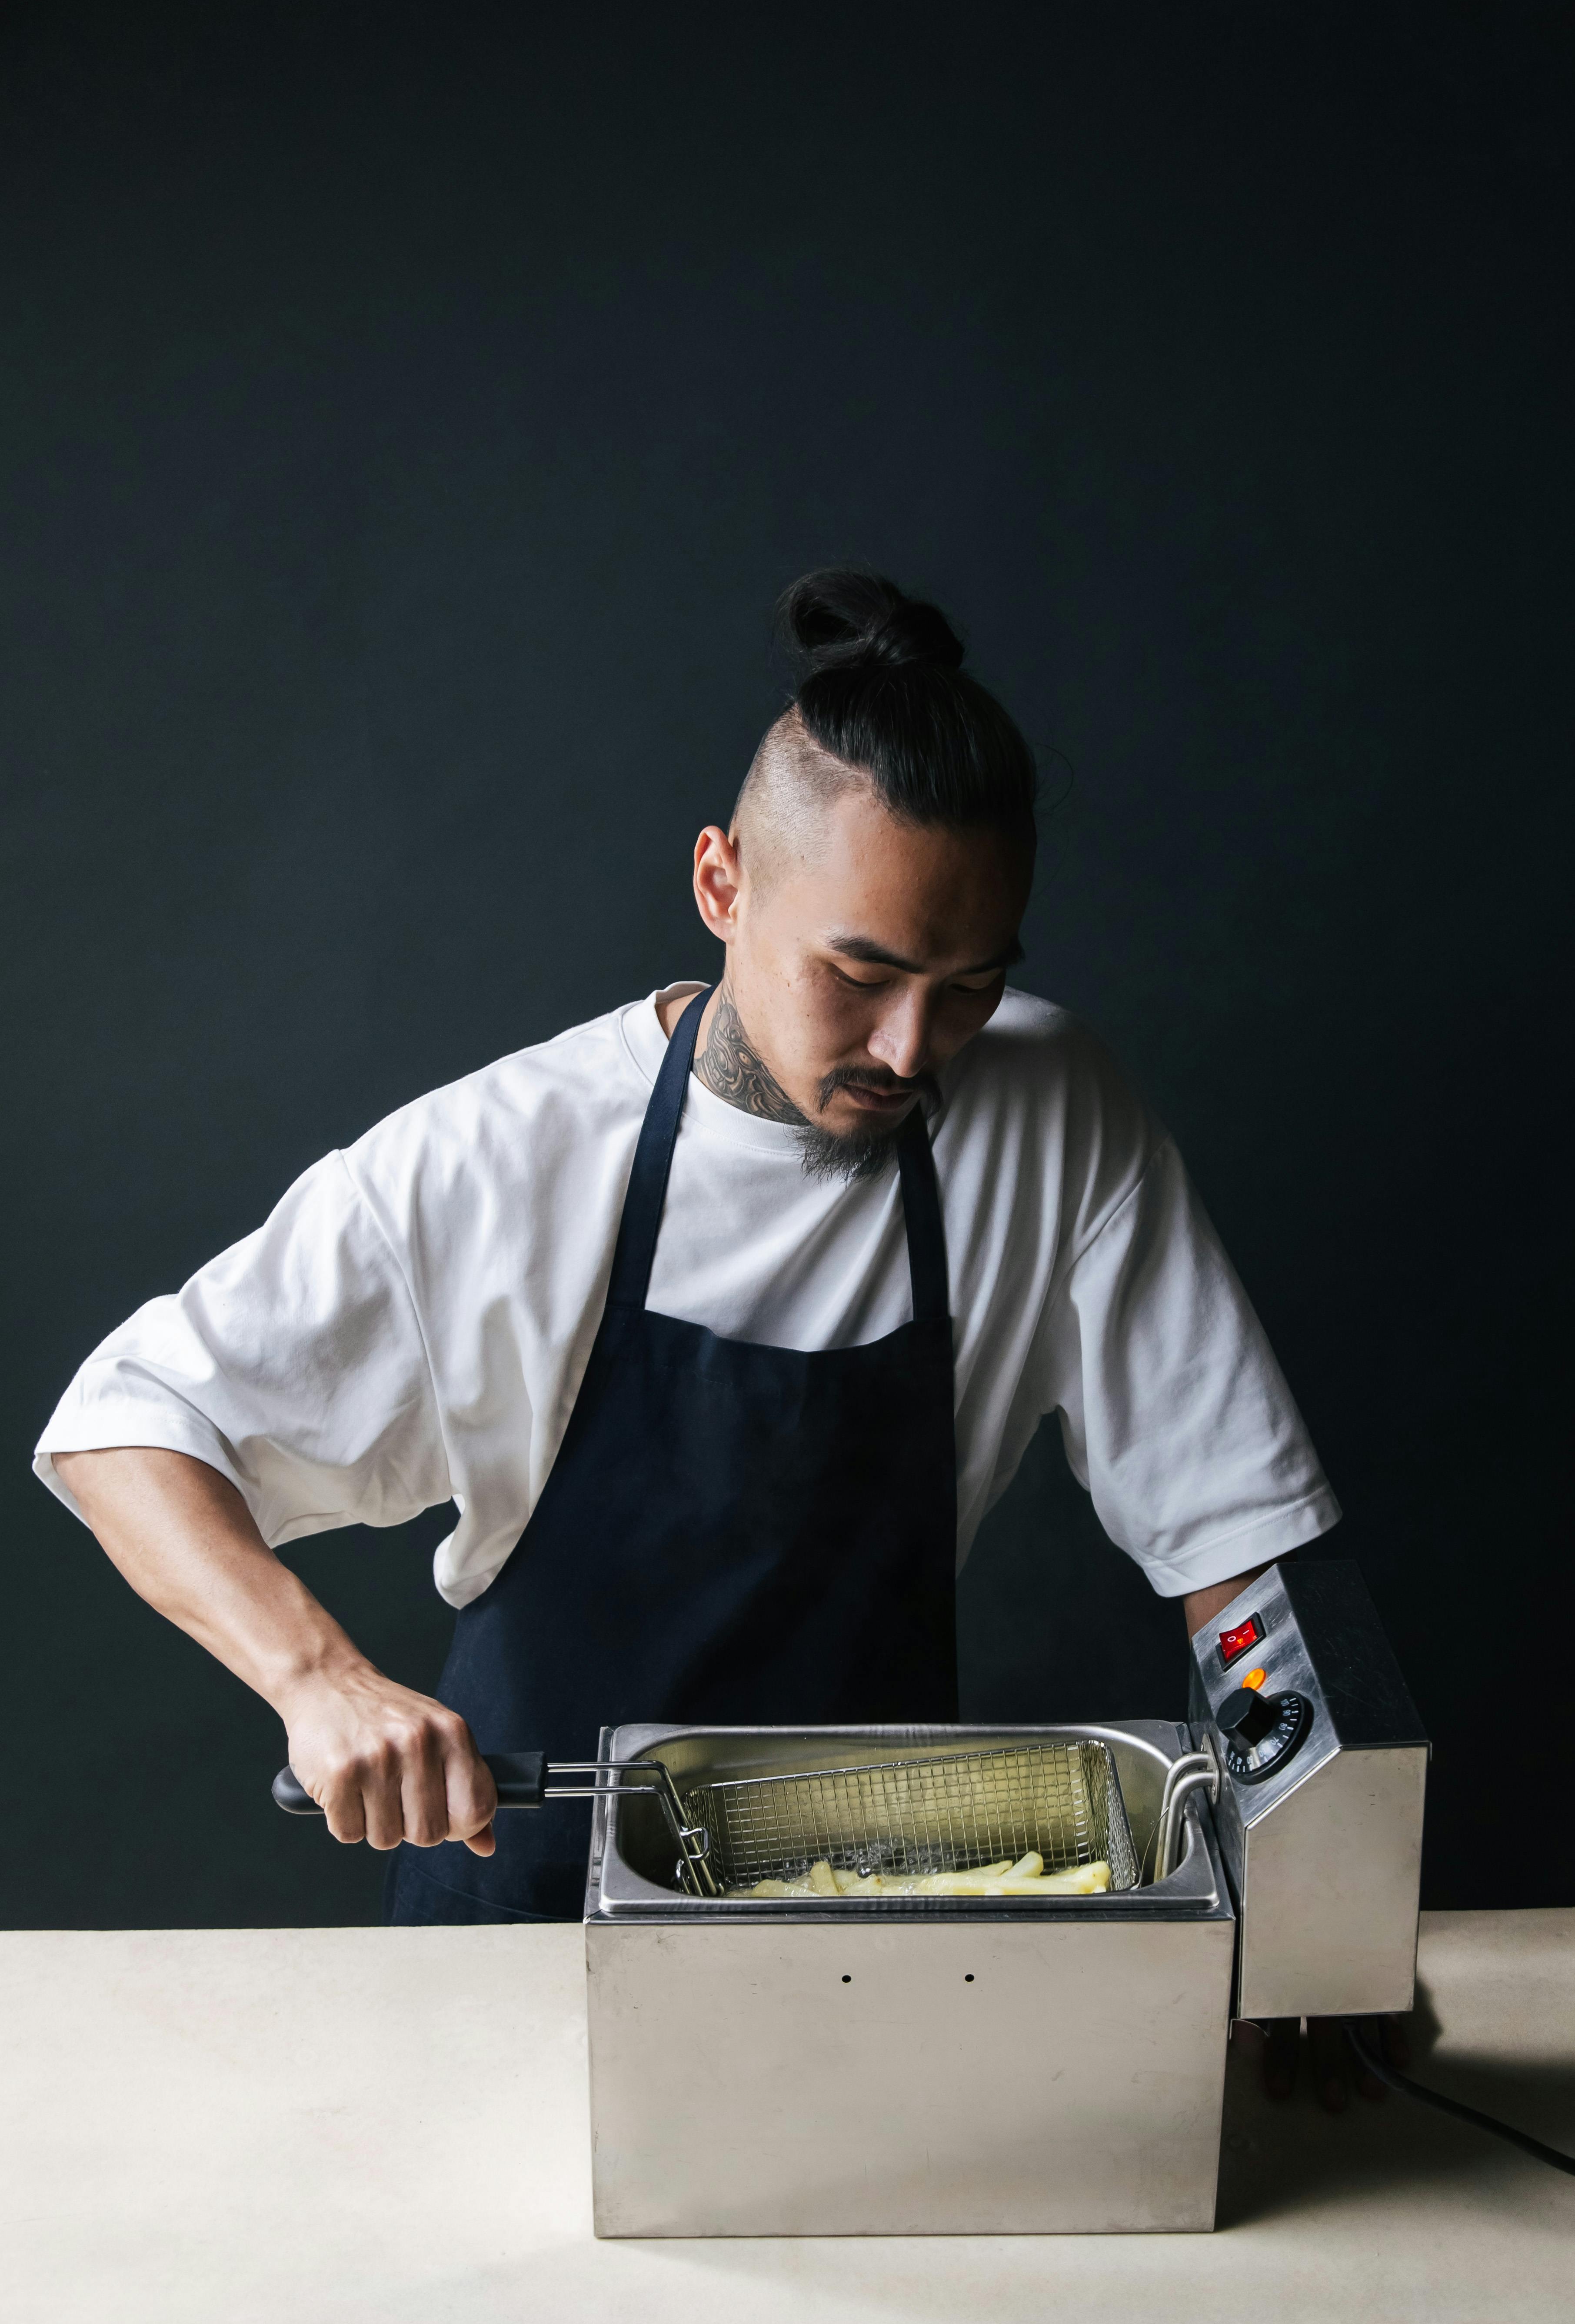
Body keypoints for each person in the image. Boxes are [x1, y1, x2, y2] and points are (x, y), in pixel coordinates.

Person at [40, 567, 1340, 1948]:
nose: (911, 1047)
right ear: (723, 883)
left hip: (879, 1927)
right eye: (859, 975)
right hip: (522, 1923)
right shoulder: (505, 1158)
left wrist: (1313, 1914)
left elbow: (1241, 1549)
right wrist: (317, 1678)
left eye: (969, 987)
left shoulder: (1053, 1111)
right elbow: (124, 1423)